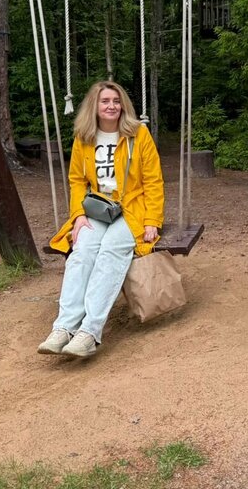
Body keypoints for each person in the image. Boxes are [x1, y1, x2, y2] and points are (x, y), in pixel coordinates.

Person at [39, 80, 164, 358]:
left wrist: (152, 221)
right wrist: (78, 215)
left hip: (133, 208)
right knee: (81, 252)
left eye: (116, 101)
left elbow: (153, 181)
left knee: (110, 252)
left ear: (123, 106)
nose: (112, 106)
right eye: (105, 101)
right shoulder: (85, 137)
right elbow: (76, 181)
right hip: (97, 208)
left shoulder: (138, 135)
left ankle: (89, 332)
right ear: (94, 106)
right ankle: (63, 328)